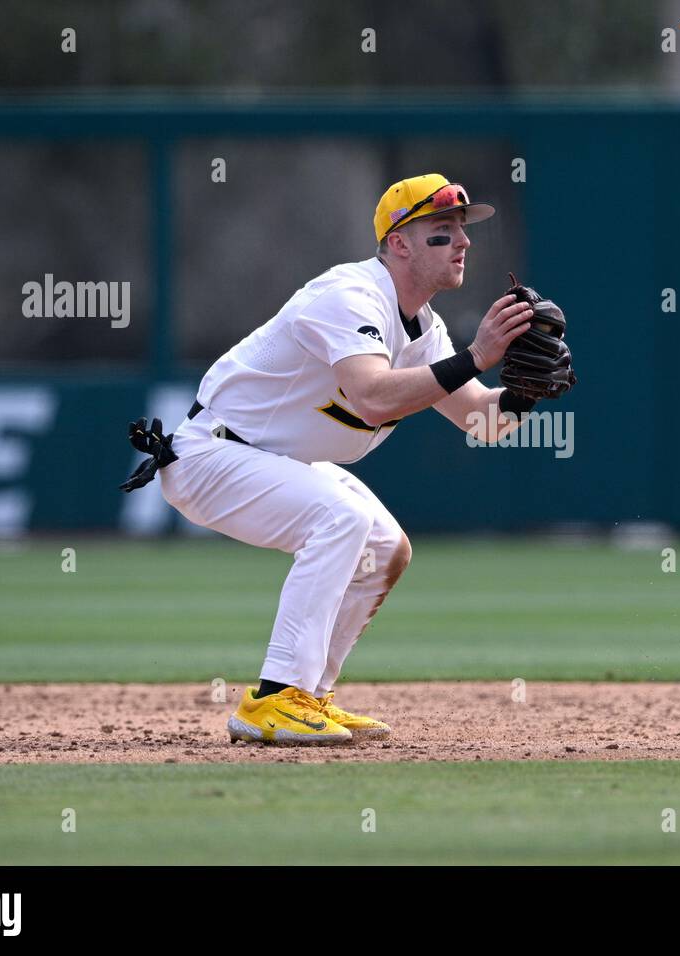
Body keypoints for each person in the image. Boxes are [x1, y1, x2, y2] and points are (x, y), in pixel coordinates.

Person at [121, 174, 542, 745]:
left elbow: (481, 422)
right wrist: (477, 356)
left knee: (385, 546)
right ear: (400, 243)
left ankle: (309, 694)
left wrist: (524, 393)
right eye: (442, 232)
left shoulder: (425, 329)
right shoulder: (350, 295)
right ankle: (273, 699)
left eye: (462, 231)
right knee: (339, 519)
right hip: (212, 453)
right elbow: (372, 393)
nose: (462, 242)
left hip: (271, 460)